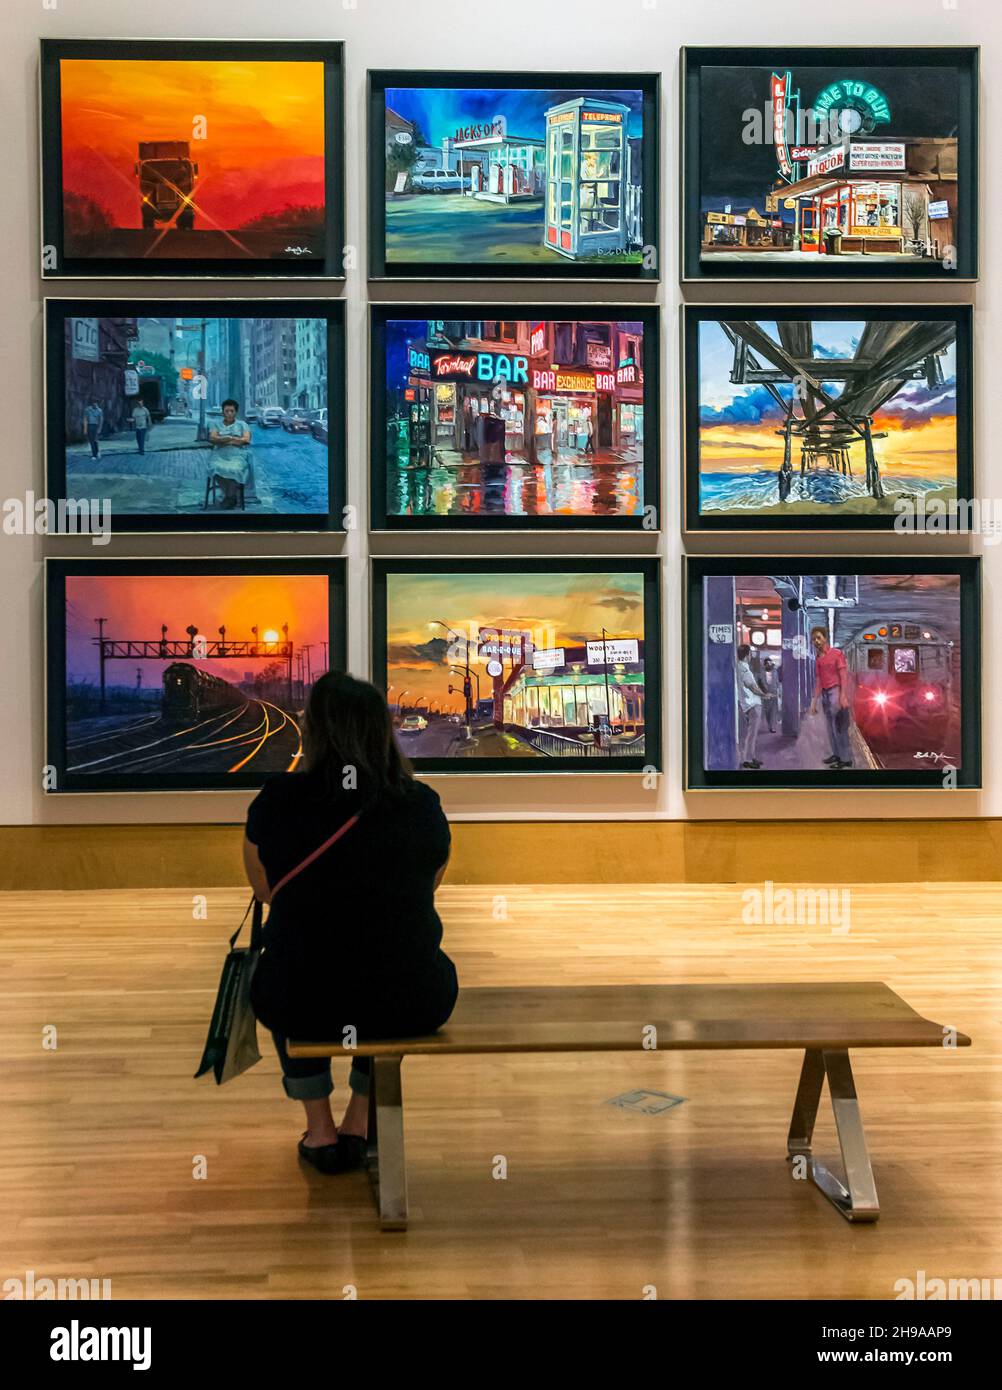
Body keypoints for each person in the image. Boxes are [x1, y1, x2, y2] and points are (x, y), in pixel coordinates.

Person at [243, 673, 458, 1175]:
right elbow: (426, 886)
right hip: (410, 999)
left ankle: (320, 1131)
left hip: (302, 997)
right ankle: (359, 1121)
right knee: (388, 963)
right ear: (383, 731)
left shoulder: (276, 800)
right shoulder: (421, 804)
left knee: (292, 971)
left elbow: (265, 891)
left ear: (314, 731)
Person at [808, 625, 853, 768]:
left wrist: (843, 695)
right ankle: (837, 754)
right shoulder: (818, 658)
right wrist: (814, 702)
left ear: (825, 639)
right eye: (814, 639)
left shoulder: (837, 654)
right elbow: (819, 680)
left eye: (819, 638)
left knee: (839, 727)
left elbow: (843, 675)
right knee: (830, 727)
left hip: (835, 691)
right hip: (826, 695)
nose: (816, 641)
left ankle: (845, 759)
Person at [208, 398, 252, 508]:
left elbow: (246, 440)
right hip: (220, 454)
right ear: (222, 411)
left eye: (232, 411)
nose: (229, 414)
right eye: (226, 411)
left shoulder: (242, 425)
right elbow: (212, 438)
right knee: (215, 468)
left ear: (235, 412)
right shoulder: (215, 424)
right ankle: (231, 497)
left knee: (235, 469)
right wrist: (234, 439)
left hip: (237, 454)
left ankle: (229, 497)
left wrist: (225, 439)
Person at [735, 643, 763, 770]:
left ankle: (750, 757)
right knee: (752, 734)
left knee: (747, 734)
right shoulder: (744, 669)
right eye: (750, 653)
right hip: (752, 704)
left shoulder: (739, 666)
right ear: (747, 655)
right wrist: (764, 694)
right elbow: (751, 686)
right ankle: (748, 759)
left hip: (745, 704)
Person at [759, 657, 779, 733]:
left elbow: (776, 681)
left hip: (774, 693)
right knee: (767, 711)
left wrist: (777, 690)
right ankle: (769, 724)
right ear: (765, 665)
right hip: (766, 694)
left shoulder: (775, 671)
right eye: (767, 664)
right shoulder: (762, 672)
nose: (769, 665)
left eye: (770, 663)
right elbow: (760, 682)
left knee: (773, 710)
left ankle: (772, 727)